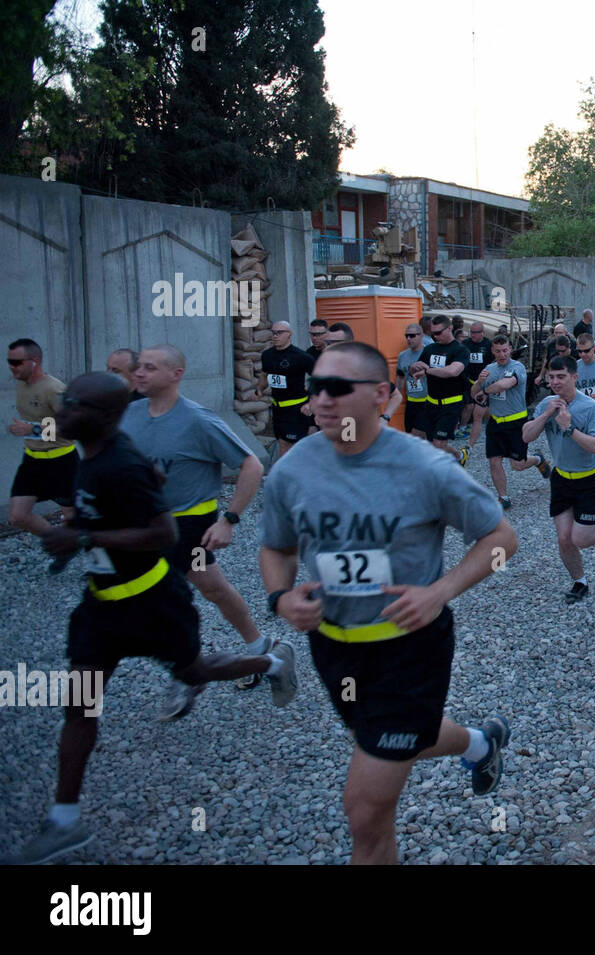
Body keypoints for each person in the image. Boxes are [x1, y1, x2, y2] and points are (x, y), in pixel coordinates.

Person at [4, 372, 295, 865]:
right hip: (100, 608)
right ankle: (63, 820)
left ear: (99, 417)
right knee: (79, 705)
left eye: (72, 406)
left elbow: (161, 534)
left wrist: (84, 539)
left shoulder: (120, 463)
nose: (62, 412)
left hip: (152, 602)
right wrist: (78, 528)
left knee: (194, 671)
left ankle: (270, 663)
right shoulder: (93, 457)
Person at [260, 342, 515, 865]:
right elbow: (277, 548)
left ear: (381, 395)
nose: (321, 400)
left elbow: (502, 540)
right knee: (396, 736)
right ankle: (478, 744)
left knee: (365, 813)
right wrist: (281, 596)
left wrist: (440, 590)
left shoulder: (425, 467)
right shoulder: (291, 470)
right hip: (334, 648)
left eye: (337, 388)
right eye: (315, 387)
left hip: (411, 647)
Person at [124, 343, 272, 706]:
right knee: (212, 588)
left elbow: (251, 466)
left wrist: (229, 520)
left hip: (187, 525)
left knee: (161, 599)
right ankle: (261, 649)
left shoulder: (198, 420)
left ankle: (187, 671)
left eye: (151, 368)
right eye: (138, 367)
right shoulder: (129, 415)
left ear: (176, 375)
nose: (140, 373)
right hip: (144, 524)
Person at [521, 355, 595, 605]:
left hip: (590, 479)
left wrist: (569, 428)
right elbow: (526, 437)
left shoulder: (592, 408)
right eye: (551, 377)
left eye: (561, 377)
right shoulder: (547, 404)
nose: (555, 382)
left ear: (574, 377)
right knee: (563, 538)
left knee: (582, 539)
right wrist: (546, 414)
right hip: (561, 478)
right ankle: (579, 581)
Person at [7, 338, 77, 538]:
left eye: (17, 362)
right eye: (9, 361)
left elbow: (72, 427)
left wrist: (32, 429)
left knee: (75, 520)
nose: (12, 367)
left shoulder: (54, 389)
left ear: (34, 361)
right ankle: (57, 543)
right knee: (18, 516)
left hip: (61, 461)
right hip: (32, 459)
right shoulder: (21, 385)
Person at [472, 336, 551, 509]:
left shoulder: (517, 367)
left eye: (505, 350)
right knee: (494, 460)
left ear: (510, 349)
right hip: (495, 423)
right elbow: (473, 394)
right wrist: (479, 383)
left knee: (517, 465)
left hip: (516, 423)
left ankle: (538, 459)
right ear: (492, 351)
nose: (502, 354)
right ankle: (503, 497)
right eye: (498, 351)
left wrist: (485, 390)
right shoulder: (489, 369)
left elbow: (505, 384)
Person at [409, 314, 470, 466]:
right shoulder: (430, 349)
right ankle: (459, 455)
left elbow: (452, 371)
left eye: (438, 333)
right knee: (429, 440)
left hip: (451, 404)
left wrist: (428, 370)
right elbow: (417, 368)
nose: (435, 336)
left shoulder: (460, 350)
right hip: (431, 403)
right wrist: (413, 369)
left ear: (449, 328)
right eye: (432, 333)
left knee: (438, 444)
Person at [255, 321, 315, 459]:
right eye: (274, 333)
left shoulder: (301, 357)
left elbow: (318, 379)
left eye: (280, 333)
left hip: (297, 408)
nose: (276, 336)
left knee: (289, 444)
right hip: (277, 409)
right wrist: (259, 389)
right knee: (282, 442)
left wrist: (311, 403)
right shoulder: (267, 355)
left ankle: (290, 475)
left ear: (289, 334)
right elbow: (265, 375)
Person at [383, 323, 434, 438]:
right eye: (406, 336)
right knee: (410, 433)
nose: (408, 339)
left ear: (421, 336)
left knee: (418, 435)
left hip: (428, 401)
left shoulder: (429, 353)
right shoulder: (403, 356)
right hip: (412, 402)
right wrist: (395, 396)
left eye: (412, 336)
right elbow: (400, 376)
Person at [459, 322, 490, 447]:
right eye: (471, 332)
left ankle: (491, 428)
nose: (473, 335)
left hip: (483, 381)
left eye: (476, 332)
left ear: (482, 332)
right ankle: (462, 428)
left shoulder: (488, 344)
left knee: (484, 408)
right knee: (469, 406)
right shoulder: (466, 344)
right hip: (468, 380)